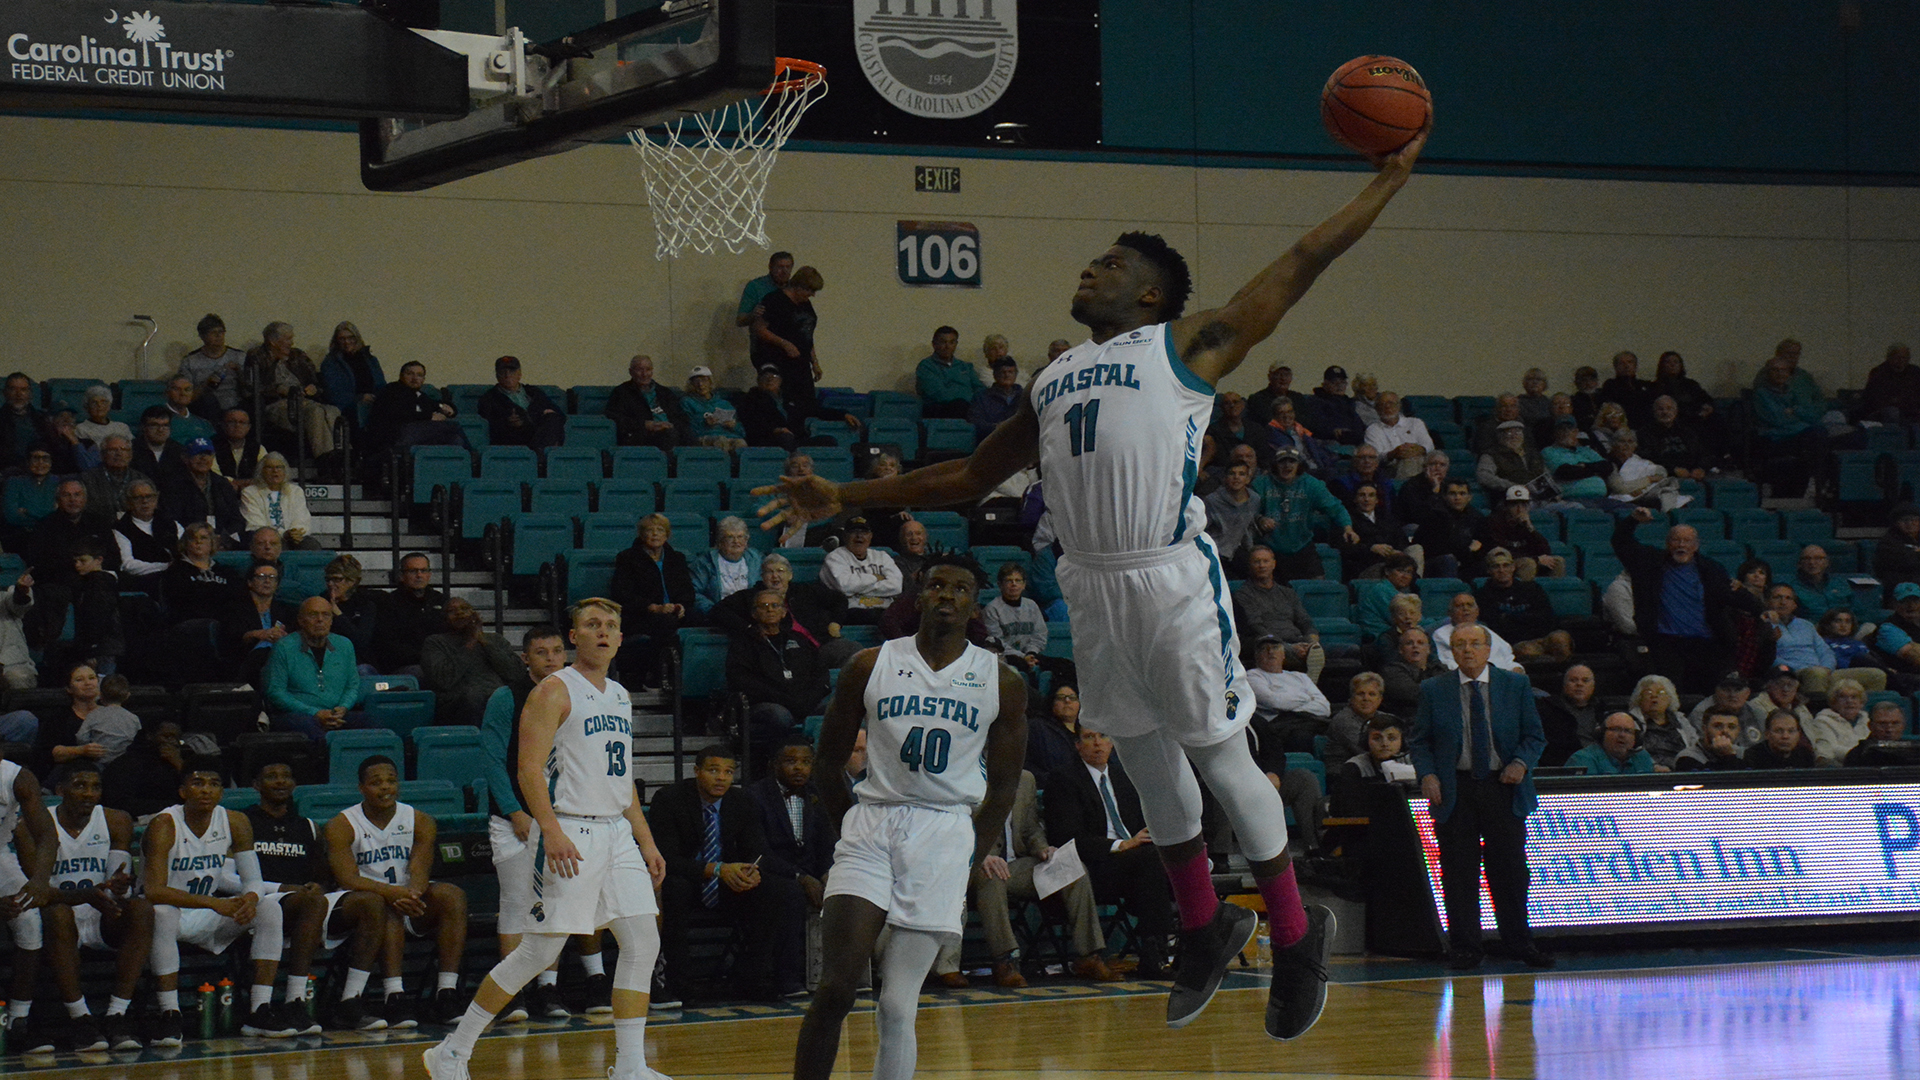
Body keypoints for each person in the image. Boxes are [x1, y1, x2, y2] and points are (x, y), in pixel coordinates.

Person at [758, 137, 1427, 1040]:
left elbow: (1304, 260)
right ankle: (1205, 924)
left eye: (1111, 262)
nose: (1090, 267)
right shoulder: (1056, 375)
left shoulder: (1188, 342)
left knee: (1222, 756)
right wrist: (846, 494)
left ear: (1149, 293)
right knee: (1148, 759)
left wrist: (1385, 177)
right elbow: (964, 476)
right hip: (1090, 582)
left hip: (1168, 575)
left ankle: (1300, 933)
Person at [793, 554, 1025, 1080]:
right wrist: (850, 824)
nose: (947, 595)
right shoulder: (869, 664)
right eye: (937, 585)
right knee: (836, 988)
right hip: (873, 822)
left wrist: (970, 854)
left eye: (960, 588)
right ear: (918, 595)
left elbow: (1006, 785)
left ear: (973, 604)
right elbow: (827, 764)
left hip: (944, 830)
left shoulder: (1000, 680)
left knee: (897, 1003)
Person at [423, 598, 667, 1080]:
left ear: (620, 639)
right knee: (539, 951)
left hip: (615, 830)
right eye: (592, 624)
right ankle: (453, 1049)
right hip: (569, 826)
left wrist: (647, 840)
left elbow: (623, 781)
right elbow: (527, 769)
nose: (603, 632)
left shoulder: (619, 694)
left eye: (611, 625)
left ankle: (631, 1066)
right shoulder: (554, 690)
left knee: (642, 941)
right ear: (574, 637)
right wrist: (549, 830)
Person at [1407, 624, 1552, 971]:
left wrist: (1519, 763)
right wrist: (1427, 775)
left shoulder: (1515, 684)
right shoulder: (1433, 689)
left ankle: (1518, 942)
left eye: (1474, 644)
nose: (1467, 651)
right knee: (1458, 871)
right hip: (1455, 789)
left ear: (1488, 649)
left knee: (1511, 870)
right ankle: (1466, 946)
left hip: (1503, 787)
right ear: (1451, 653)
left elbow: (1535, 736)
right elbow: (1419, 741)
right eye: (1459, 645)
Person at [142, 757, 305, 1043]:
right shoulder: (164, 824)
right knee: (162, 912)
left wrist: (251, 900)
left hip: (207, 912)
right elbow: (154, 890)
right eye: (198, 783)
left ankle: (259, 1009)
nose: (206, 790)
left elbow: (253, 880)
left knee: (269, 908)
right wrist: (214, 903)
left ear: (221, 791)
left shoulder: (235, 821)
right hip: (173, 915)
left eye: (214, 784)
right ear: (183, 791)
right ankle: (170, 1014)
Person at [323, 756, 470, 1025]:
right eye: (376, 782)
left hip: (406, 899)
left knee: (452, 896)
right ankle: (394, 996)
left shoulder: (420, 820)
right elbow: (347, 878)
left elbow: (420, 869)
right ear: (361, 788)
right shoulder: (342, 824)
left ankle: (446, 993)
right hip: (361, 903)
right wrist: (394, 894)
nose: (385, 788)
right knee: (380, 903)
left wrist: (411, 893)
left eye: (391, 780)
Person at [943, 766, 1119, 988]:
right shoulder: (965, 777)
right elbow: (956, 826)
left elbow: (1030, 828)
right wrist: (981, 854)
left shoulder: (1025, 779)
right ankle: (1004, 960)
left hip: (1016, 863)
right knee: (992, 876)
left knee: (1072, 868)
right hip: (976, 863)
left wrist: (1043, 849)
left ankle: (1089, 955)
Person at [649, 744, 794, 1004]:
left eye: (728, 772)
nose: (721, 778)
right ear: (696, 771)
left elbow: (756, 848)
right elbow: (666, 859)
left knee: (775, 889)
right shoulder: (669, 798)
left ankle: (752, 979)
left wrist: (752, 871)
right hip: (687, 882)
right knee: (674, 887)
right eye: (714, 770)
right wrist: (716, 869)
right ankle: (679, 983)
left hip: (726, 885)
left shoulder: (742, 800)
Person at [39, 761, 154, 1051]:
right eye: (80, 785)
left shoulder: (116, 820)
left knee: (141, 910)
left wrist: (119, 887)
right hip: (56, 914)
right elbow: (37, 891)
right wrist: (86, 895)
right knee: (59, 913)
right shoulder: (40, 821)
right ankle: (81, 1020)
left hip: (99, 912)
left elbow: (117, 881)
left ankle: (116, 1015)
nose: (89, 793)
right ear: (60, 790)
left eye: (95, 786)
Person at [1614, 507, 1759, 693]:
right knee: (1670, 695)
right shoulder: (1650, 563)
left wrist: (1761, 610)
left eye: (1687, 541)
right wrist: (1633, 520)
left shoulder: (1711, 569)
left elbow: (1732, 593)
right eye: (1676, 540)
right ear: (1667, 543)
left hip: (1705, 644)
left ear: (1696, 546)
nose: (1681, 544)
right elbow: (1620, 542)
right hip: (1666, 644)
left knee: (1708, 695)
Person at [746, 737, 838, 996]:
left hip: (810, 872)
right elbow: (758, 851)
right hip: (772, 873)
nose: (799, 768)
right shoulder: (754, 796)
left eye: (806, 762)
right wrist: (800, 877)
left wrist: (827, 873)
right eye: (790, 761)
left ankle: (847, 975)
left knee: (848, 886)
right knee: (790, 895)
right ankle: (787, 979)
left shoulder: (818, 795)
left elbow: (827, 843)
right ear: (773, 764)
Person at [0, 741, 59, 1052]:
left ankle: (17, 1019)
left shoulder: (18, 778)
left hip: (0, 856)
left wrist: (39, 880)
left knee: (29, 921)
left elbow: (47, 834)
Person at [725, 588, 831, 746]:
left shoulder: (800, 640)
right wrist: (784, 699)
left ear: (783, 612)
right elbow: (742, 680)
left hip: (806, 701)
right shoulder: (743, 644)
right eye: (764, 606)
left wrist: (808, 699)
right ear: (754, 613)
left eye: (775, 605)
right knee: (780, 716)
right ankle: (781, 757)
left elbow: (820, 673)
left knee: (838, 705)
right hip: (767, 704)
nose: (769, 609)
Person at [264, 597, 371, 742]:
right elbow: (275, 692)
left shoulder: (345, 645)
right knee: (311, 729)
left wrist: (343, 708)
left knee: (369, 721)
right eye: (313, 615)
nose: (320, 620)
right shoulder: (284, 647)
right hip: (299, 715)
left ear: (332, 620)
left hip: (336, 714)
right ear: (301, 620)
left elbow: (352, 686)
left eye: (326, 615)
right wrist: (315, 713)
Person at [609, 513, 694, 687]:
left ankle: (690, 679)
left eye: (660, 530)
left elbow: (687, 591)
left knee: (703, 621)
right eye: (650, 530)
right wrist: (653, 607)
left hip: (673, 614)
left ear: (667, 534)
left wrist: (681, 606)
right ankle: (660, 677)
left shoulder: (677, 559)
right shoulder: (627, 558)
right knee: (665, 625)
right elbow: (622, 594)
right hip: (640, 615)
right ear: (641, 534)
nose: (655, 534)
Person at [244, 322, 341, 465]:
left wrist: (313, 388)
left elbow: (318, 383)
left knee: (333, 410)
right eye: (287, 339)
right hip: (278, 404)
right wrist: (278, 389)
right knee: (315, 412)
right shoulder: (257, 356)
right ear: (272, 341)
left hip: (305, 400)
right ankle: (325, 460)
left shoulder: (298, 355)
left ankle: (342, 457)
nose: (292, 342)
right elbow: (251, 387)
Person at [421, 597, 523, 725]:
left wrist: (484, 642)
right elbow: (443, 680)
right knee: (473, 698)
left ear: (474, 614)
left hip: (497, 698)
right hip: (459, 704)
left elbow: (515, 674)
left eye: (464, 609)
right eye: (452, 611)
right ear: (445, 618)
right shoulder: (435, 643)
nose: (459, 613)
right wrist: (469, 643)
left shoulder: (495, 639)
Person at [1262, 448, 1356, 581]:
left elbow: (1335, 507)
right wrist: (1260, 520)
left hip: (1302, 546)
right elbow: (1247, 510)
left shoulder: (1312, 485)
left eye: (1292, 462)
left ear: (1299, 465)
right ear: (1275, 465)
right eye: (1282, 462)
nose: (1287, 466)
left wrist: (1347, 527)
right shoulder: (1262, 483)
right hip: (1270, 547)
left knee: (1318, 583)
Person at [1474, 548, 1574, 661]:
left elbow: (1546, 617)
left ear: (1513, 567)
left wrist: (1511, 618)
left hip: (1542, 636)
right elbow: (1497, 626)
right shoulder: (1482, 595)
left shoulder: (1532, 588)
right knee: (1528, 650)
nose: (1502, 570)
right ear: (1489, 571)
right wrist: (1527, 619)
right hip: (1515, 643)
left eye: (1506, 565)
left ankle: (1566, 673)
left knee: (1560, 639)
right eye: (1496, 566)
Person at [752, 265, 827, 408]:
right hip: (779, 362)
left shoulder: (805, 305)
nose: (812, 295)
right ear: (798, 286)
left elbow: (806, 335)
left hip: (801, 363)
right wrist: (783, 343)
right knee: (785, 404)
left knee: (807, 405)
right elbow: (759, 329)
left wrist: (815, 363)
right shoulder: (774, 300)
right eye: (809, 290)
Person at [1244, 634, 1331, 753]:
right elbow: (1274, 702)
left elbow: (1324, 707)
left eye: (1275, 648)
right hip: (1277, 726)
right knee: (1301, 736)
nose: (1270, 652)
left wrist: (1290, 707)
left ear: (1283, 655)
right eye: (1264, 649)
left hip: (1308, 720)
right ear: (1257, 656)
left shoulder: (1300, 676)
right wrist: (1306, 698)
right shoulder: (1252, 676)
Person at [364, 361, 467, 454]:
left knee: (454, 439)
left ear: (423, 379)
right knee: (454, 426)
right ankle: (474, 459)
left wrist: (449, 410)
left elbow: (436, 404)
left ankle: (460, 467)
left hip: (413, 435)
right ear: (401, 375)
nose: (414, 378)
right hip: (393, 436)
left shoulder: (420, 396)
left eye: (419, 375)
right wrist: (428, 416)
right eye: (410, 374)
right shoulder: (391, 390)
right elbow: (398, 413)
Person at [225, 559, 298, 686]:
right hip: (247, 659)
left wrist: (283, 637)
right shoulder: (235, 608)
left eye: (272, 577)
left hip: (280, 657)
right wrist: (257, 634)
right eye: (261, 577)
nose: (267, 581)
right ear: (250, 582)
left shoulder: (286, 610)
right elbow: (230, 638)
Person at [375, 552, 449, 677]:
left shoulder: (441, 601)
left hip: (439, 661)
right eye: (413, 571)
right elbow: (388, 646)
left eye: (423, 570)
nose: (419, 575)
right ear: (402, 576)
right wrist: (424, 656)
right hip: (405, 666)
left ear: (429, 575)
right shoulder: (389, 603)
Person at [819, 517, 902, 623]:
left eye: (864, 532)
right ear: (845, 536)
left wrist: (858, 587)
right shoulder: (835, 558)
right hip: (853, 611)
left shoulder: (882, 557)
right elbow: (844, 586)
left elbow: (896, 586)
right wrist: (875, 578)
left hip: (886, 610)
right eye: (854, 532)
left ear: (870, 536)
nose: (859, 536)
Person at [478, 356, 566, 451]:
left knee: (553, 419)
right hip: (513, 438)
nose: (507, 376)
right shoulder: (489, 398)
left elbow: (560, 416)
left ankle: (538, 453)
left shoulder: (534, 393)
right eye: (503, 372)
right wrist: (508, 423)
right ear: (497, 375)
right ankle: (539, 455)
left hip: (538, 433)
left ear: (519, 374)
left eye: (512, 372)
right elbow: (490, 427)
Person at [605, 354, 689, 451]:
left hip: (670, 431)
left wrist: (670, 425)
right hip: (640, 435)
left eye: (648, 369)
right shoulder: (621, 392)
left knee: (688, 436)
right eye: (639, 370)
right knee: (668, 436)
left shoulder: (665, 393)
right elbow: (616, 418)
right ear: (631, 372)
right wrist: (645, 425)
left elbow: (681, 417)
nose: (644, 374)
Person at [1764, 582, 1837, 694]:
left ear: (1794, 605)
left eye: (1788, 598)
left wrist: (1827, 667)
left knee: (1873, 675)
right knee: (1816, 674)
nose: (1783, 602)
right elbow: (1769, 657)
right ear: (1767, 602)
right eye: (1777, 597)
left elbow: (1825, 651)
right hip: (1792, 672)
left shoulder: (1806, 625)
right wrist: (1803, 668)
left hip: (1822, 670)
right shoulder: (1763, 624)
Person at [1339, 481, 1418, 579]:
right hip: (1366, 565)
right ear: (1355, 499)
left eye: (1371, 495)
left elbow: (1401, 539)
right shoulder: (1347, 521)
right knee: (1389, 570)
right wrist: (1371, 548)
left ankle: (1417, 584)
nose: (1366, 499)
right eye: (1362, 495)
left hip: (1394, 562)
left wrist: (1396, 551)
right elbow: (1346, 549)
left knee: (1415, 549)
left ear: (1377, 500)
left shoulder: (1387, 518)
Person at [241, 452, 318, 550]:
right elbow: (255, 524)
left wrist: (294, 533)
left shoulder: (295, 491)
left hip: (293, 538)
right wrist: (283, 535)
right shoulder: (250, 492)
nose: (275, 471)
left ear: (285, 471)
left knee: (311, 545)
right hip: (265, 539)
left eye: (279, 467)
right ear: (261, 471)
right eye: (269, 467)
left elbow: (301, 518)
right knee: (278, 546)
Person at [690, 515, 765, 617]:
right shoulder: (705, 562)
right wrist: (715, 611)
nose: (736, 541)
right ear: (720, 541)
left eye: (740, 536)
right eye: (730, 537)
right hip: (718, 614)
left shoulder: (756, 559)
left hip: (751, 614)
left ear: (746, 540)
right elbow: (694, 593)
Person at [317, 320, 386, 427]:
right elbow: (333, 393)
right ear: (336, 341)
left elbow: (381, 384)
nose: (347, 342)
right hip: (349, 407)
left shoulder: (370, 360)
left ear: (356, 338)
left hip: (375, 403)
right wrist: (359, 398)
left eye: (350, 338)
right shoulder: (330, 363)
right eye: (342, 339)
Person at [110, 478, 178, 586]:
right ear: (128, 502)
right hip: (145, 581)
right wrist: (166, 566)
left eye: (149, 496)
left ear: (156, 498)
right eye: (138, 498)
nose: (145, 501)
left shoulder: (170, 522)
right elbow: (128, 565)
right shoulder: (120, 529)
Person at [178, 314, 247, 419]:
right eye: (213, 333)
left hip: (235, 403)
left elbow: (249, 389)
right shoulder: (190, 361)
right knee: (208, 400)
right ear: (202, 336)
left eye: (221, 332)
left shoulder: (239, 357)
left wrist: (239, 372)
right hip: (205, 405)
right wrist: (206, 384)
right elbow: (187, 397)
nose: (218, 336)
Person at [981, 562, 1046, 672]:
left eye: (1018, 580)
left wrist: (1031, 653)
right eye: (1009, 581)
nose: (1014, 584)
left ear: (1024, 584)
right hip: (1006, 656)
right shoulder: (992, 608)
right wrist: (1022, 656)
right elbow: (996, 642)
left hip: (1032, 655)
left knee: (1065, 665)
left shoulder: (1031, 605)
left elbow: (1040, 635)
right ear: (1000, 585)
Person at [1323, 671, 1396, 765]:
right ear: (1352, 697)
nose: (1366, 698)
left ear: (1380, 699)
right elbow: (1369, 752)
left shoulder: (1387, 719)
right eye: (1360, 694)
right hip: (1343, 772)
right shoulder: (1343, 720)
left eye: (1372, 694)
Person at [80, 435, 150, 527]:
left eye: (124, 450)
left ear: (130, 455)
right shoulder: (88, 479)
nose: (119, 454)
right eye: (113, 450)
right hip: (99, 529)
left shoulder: (141, 480)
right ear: (102, 455)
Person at [914, 325, 981, 421]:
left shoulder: (965, 366)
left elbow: (979, 389)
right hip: (939, 410)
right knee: (961, 405)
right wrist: (968, 398)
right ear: (934, 344)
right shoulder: (926, 366)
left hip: (968, 408)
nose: (947, 346)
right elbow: (939, 395)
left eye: (952, 342)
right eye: (943, 342)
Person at [1364, 391, 1434, 481]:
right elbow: (1375, 456)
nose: (1387, 407)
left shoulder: (1415, 423)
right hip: (1391, 468)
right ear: (1377, 409)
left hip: (1420, 462)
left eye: (1391, 403)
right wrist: (1393, 454)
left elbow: (1429, 445)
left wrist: (1419, 449)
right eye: (1382, 404)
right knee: (1409, 462)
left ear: (1399, 406)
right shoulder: (1373, 429)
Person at [1628, 673, 1689, 770]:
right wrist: (1653, 766)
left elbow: (1694, 745)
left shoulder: (1680, 720)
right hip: (1649, 770)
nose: (1654, 697)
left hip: (1683, 769)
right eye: (1648, 693)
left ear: (1669, 698)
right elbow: (1632, 751)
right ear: (1639, 699)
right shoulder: (1631, 721)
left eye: (1660, 692)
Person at [1639, 396, 1709, 480]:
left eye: (1669, 408)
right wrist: (1672, 470)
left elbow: (1703, 454)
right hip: (1662, 476)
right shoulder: (1645, 433)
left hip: (1691, 475)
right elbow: (1647, 459)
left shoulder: (1688, 432)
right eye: (1660, 409)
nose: (1665, 412)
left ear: (1676, 411)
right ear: (1654, 412)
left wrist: (1701, 468)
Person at [1564, 711, 1656, 775]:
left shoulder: (1643, 758)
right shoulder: (1582, 760)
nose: (1622, 735)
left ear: (1636, 738)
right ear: (1601, 733)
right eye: (1615, 729)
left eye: (1628, 731)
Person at [679, 365, 746, 452]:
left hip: (729, 436)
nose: (700, 384)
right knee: (720, 442)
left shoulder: (724, 404)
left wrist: (734, 426)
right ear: (691, 384)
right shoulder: (687, 402)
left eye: (704, 380)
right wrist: (704, 423)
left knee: (741, 443)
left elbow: (742, 433)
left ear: (710, 382)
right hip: (705, 437)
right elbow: (687, 429)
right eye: (696, 381)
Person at [1807, 677, 1871, 767]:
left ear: (1861, 702)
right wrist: (1862, 755)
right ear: (1833, 702)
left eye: (1854, 697)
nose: (1849, 701)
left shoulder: (1868, 720)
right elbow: (1830, 749)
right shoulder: (1822, 721)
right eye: (1843, 697)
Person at [3, 443, 61, 542]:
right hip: (22, 536)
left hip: (54, 535)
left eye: (45, 459)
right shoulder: (14, 482)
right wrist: (49, 511)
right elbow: (11, 516)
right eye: (35, 458)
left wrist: (28, 511)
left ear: (51, 462)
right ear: (28, 461)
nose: (40, 463)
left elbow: (61, 517)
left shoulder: (59, 482)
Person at [0, 371, 54, 474]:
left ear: (30, 394)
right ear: (5, 393)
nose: (18, 394)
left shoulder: (42, 420)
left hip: (40, 471)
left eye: (23, 390)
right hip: (7, 472)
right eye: (13, 389)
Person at [1673, 707, 1752, 771]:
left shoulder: (1745, 754)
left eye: (1731, 727)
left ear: (1738, 731)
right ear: (1704, 729)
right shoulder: (1687, 758)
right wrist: (1728, 755)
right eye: (1718, 726)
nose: (1725, 731)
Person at [970, 351, 1024, 443]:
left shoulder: (1025, 396)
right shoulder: (981, 397)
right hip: (991, 443)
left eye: (1010, 372)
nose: (1007, 375)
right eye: (1003, 372)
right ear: (995, 375)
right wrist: (996, 427)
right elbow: (975, 423)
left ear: (1016, 374)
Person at [1305, 365, 1364, 446]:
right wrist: (1334, 432)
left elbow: (1359, 426)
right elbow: (1316, 426)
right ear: (1325, 384)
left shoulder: (1349, 402)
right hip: (1327, 444)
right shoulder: (1315, 401)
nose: (1339, 386)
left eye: (1342, 382)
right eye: (1334, 382)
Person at [1861, 343, 1920, 423]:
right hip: (1885, 411)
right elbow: (1874, 399)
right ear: (1889, 357)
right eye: (1898, 357)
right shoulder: (1879, 373)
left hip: (1912, 410)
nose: (1902, 360)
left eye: (1905, 358)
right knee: (1892, 412)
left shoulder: (1915, 372)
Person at [1598, 350, 1657, 427]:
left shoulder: (1645, 385)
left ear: (1635, 366)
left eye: (1630, 362)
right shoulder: (1610, 385)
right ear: (1616, 367)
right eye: (1622, 363)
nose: (1626, 366)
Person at [212, 408, 269, 487]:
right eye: (232, 422)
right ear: (223, 425)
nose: (237, 426)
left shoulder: (257, 448)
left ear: (248, 427)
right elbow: (213, 476)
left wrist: (239, 483)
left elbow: (266, 474)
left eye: (242, 422)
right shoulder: (212, 446)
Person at [1875, 504, 1920, 603]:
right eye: (1905, 520)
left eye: (1914, 520)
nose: (1910, 523)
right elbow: (1907, 562)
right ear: (1896, 523)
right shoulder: (1888, 542)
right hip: (1901, 586)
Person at [1843, 701, 1912, 767]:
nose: (1889, 729)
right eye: (1882, 724)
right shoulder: (1857, 755)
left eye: (1895, 723)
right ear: (1870, 726)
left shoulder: (1913, 752)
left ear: (1904, 726)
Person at [1745, 709, 1816, 769]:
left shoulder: (1806, 755)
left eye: (1791, 731)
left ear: (1799, 734)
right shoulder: (1754, 756)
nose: (1785, 736)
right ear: (1767, 734)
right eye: (1779, 731)